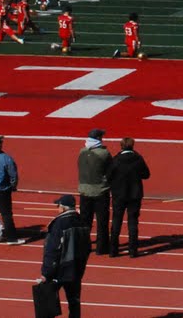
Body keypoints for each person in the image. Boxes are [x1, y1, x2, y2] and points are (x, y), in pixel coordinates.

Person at [37, 194, 91, 318]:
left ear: (63, 208)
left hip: (60, 269)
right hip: (76, 269)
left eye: (58, 206)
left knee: (46, 301)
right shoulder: (82, 221)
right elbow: (87, 247)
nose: (57, 208)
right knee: (74, 302)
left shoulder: (59, 224)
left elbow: (52, 250)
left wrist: (46, 273)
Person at [107, 137, 150, 259]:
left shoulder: (116, 160)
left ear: (121, 146)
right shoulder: (137, 159)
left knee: (116, 222)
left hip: (119, 195)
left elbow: (108, 176)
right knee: (133, 222)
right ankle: (133, 250)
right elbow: (146, 174)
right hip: (134, 195)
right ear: (132, 146)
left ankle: (113, 250)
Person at [77, 128, 112, 256]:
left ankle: (83, 246)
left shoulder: (82, 151)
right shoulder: (104, 153)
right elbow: (110, 170)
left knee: (85, 220)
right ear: (98, 138)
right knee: (102, 221)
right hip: (100, 191)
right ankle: (102, 248)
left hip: (84, 190)